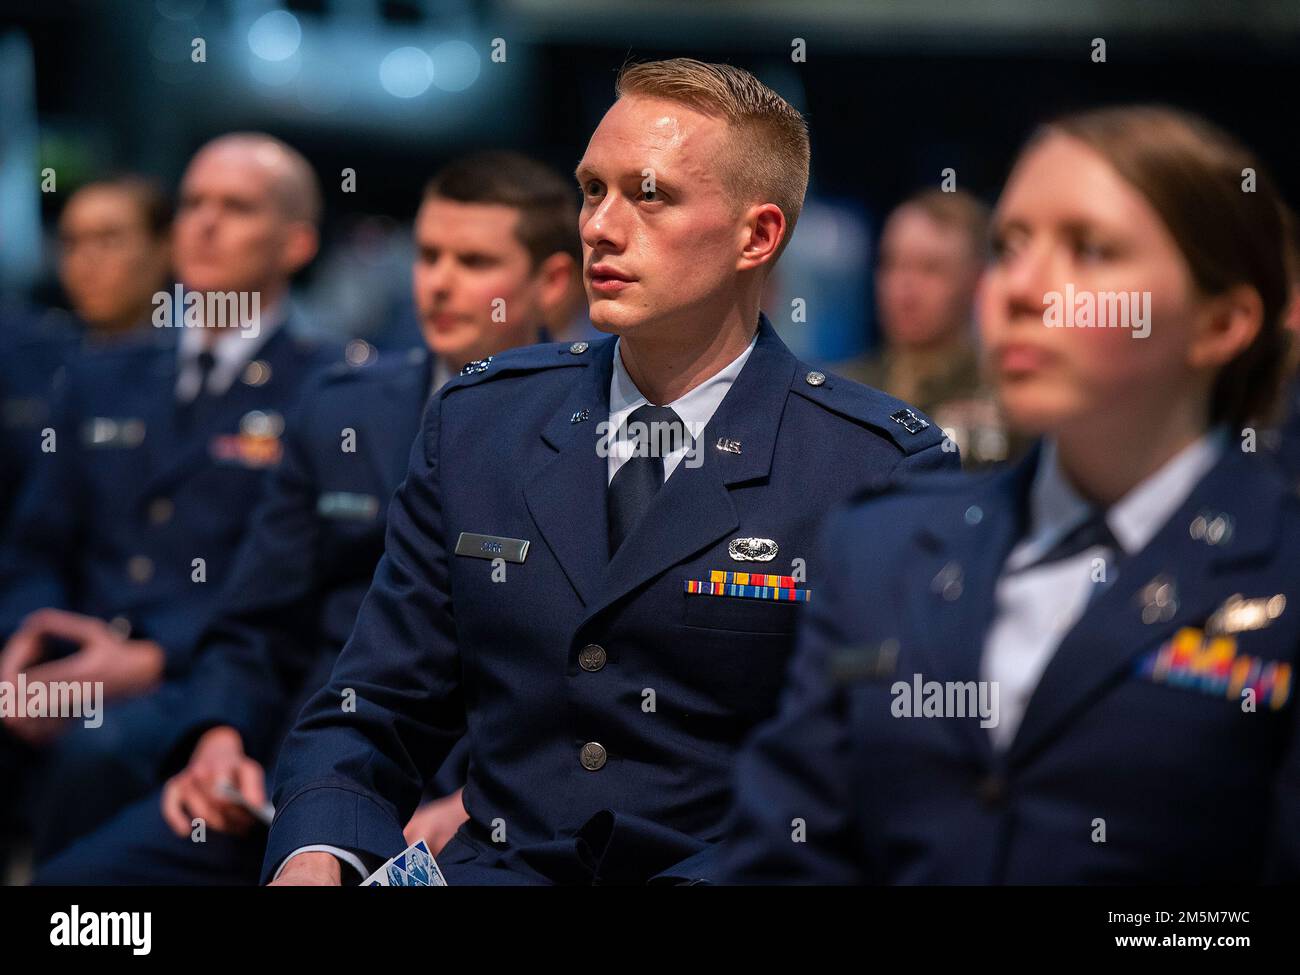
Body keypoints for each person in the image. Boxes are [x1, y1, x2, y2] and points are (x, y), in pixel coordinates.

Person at [265, 58, 956, 888]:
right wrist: (318, 847)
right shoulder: (481, 422)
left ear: (758, 237)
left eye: (649, 195)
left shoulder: (876, 465)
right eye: (593, 190)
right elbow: (373, 706)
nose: (599, 226)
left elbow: (878, 780)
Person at [720, 105, 1299, 884]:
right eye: (1009, 247)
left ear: (1221, 322)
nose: (1021, 289)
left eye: (1090, 250)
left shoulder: (1280, 566)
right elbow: (784, 855)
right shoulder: (881, 547)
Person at [33, 151, 583, 884]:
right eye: (428, 255)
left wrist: (481, 802)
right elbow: (257, 620)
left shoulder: (595, 433)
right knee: (78, 899)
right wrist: (218, 736)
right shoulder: (342, 406)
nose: (440, 282)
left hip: (486, 811)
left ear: (552, 281)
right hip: (297, 781)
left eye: (474, 261)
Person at [0, 133, 338, 864]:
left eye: (237, 207)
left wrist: (150, 658)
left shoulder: (329, 386)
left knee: (99, 751)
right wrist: (27, 641)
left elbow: (302, 586)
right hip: (67, 660)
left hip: (203, 679)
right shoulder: (103, 374)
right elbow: (35, 545)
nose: (205, 224)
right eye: (193, 203)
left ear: (296, 242)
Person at [839, 189, 1015, 467]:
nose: (904, 290)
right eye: (892, 264)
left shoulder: (1008, 404)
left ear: (977, 281)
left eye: (930, 269)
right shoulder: (844, 393)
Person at [58, 176, 173, 343]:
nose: (85, 261)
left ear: (163, 249)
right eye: (71, 243)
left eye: (108, 241)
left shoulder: (198, 349)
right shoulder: (39, 348)